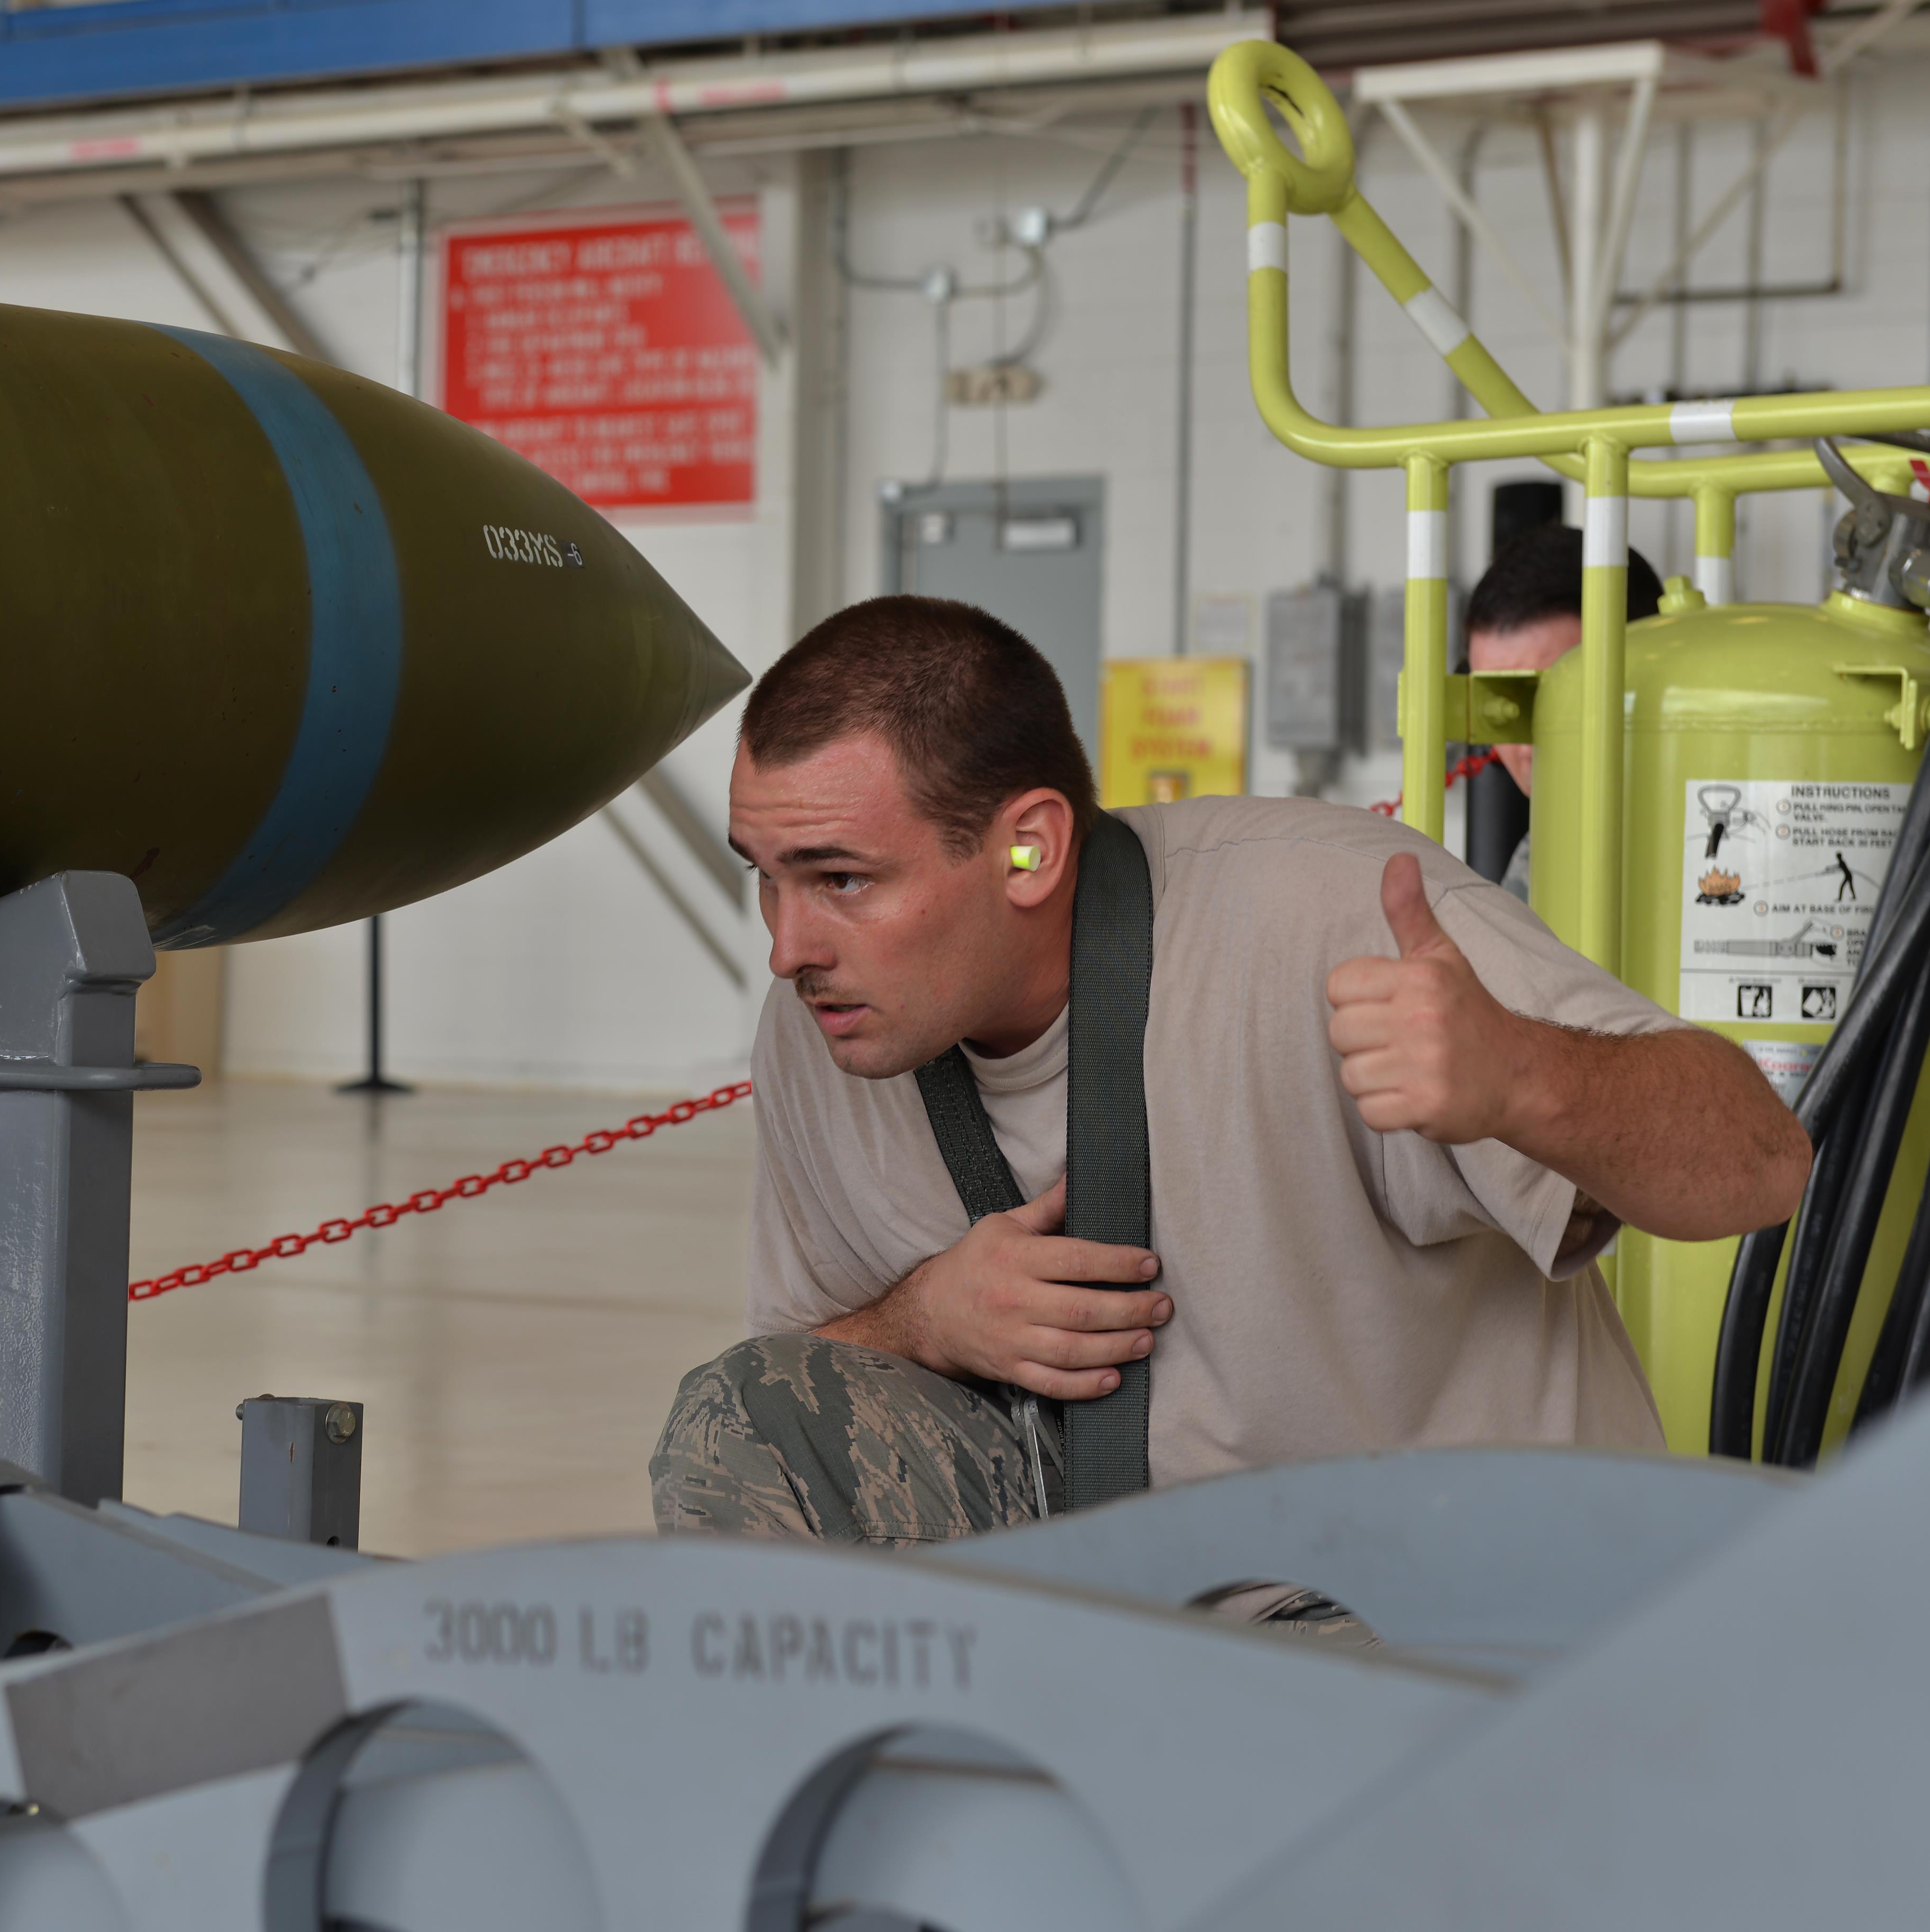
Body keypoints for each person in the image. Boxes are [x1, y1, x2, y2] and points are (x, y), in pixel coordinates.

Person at [651, 596, 1808, 1567]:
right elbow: (804, 1375)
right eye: (766, 877)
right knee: (744, 1416)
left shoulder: (1325, 917)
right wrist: (925, 1319)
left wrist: (1522, 1077)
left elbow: (1760, 1169)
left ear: (1028, 850)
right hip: (1128, 1612)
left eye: (841, 879)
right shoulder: (820, 1028)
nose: (786, 946)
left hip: (1426, 1603)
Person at [1466, 521, 1665, 902]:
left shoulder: (1721, 843)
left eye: (1558, 701)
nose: (1525, 747)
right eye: (1505, 706)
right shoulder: (1543, 853)